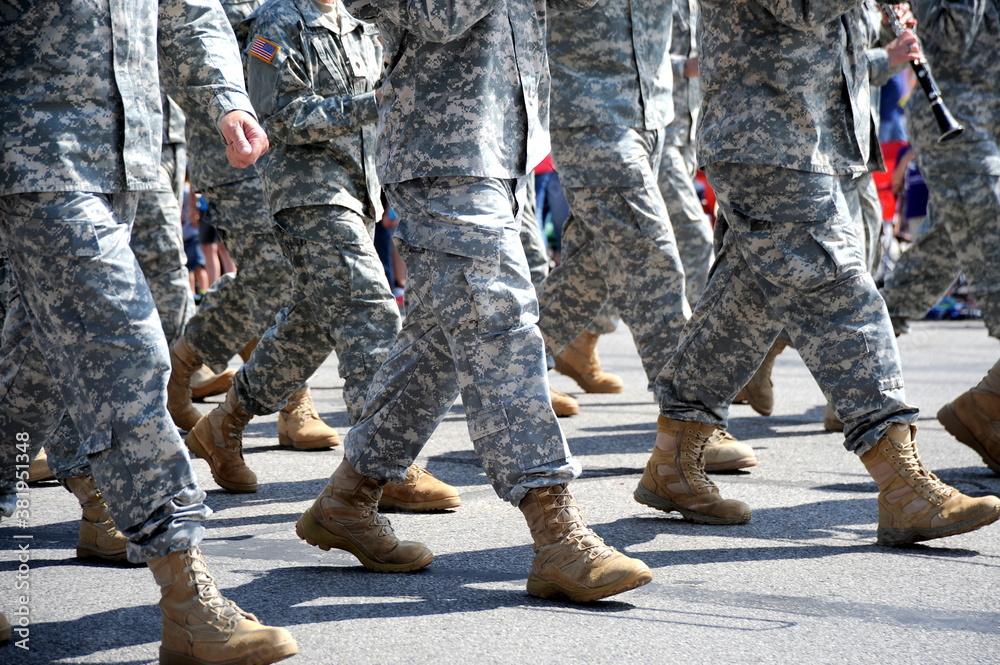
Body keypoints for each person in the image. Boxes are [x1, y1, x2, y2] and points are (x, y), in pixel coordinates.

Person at [295, 0, 653, 602]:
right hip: (441, 152)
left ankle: (348, 497)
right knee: (499, 320)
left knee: (436, 344)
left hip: (502, 149)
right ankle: (555, 526)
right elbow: (438, 16)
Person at [0, 0, 297, 662]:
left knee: (32, 377)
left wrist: (226, 101)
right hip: (33, 152)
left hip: (123, 160)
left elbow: (188, 13)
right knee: (127, 350)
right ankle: (187, 595)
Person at [640, 0, 1000, 545]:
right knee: (839, 292)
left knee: (741, 308)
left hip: (804, 135)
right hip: (767, 134)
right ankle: (901, 483)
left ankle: (672, 458)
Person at [185, 0, 460, 509]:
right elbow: (278, 116)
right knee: (372, 311)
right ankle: (387, 464)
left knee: (310, 325)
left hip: (360, 193)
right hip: (307, 193)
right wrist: (373, 102)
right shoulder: (275, 23)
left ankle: (224, 424)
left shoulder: (359, 23)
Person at [881, 0, 1000, 474]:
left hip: (989, 122)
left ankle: (853, 369)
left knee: (938, 253)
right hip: (955, 123)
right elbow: (949, 37)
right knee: (993, 241)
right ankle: (990, 403)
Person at [658, 0, 714, 306]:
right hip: (660, 133)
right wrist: (683, 67)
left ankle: (579, 336)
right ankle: (704, 344)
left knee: (630, 248)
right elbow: (625, 53)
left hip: (690, 138)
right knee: (697, 240)